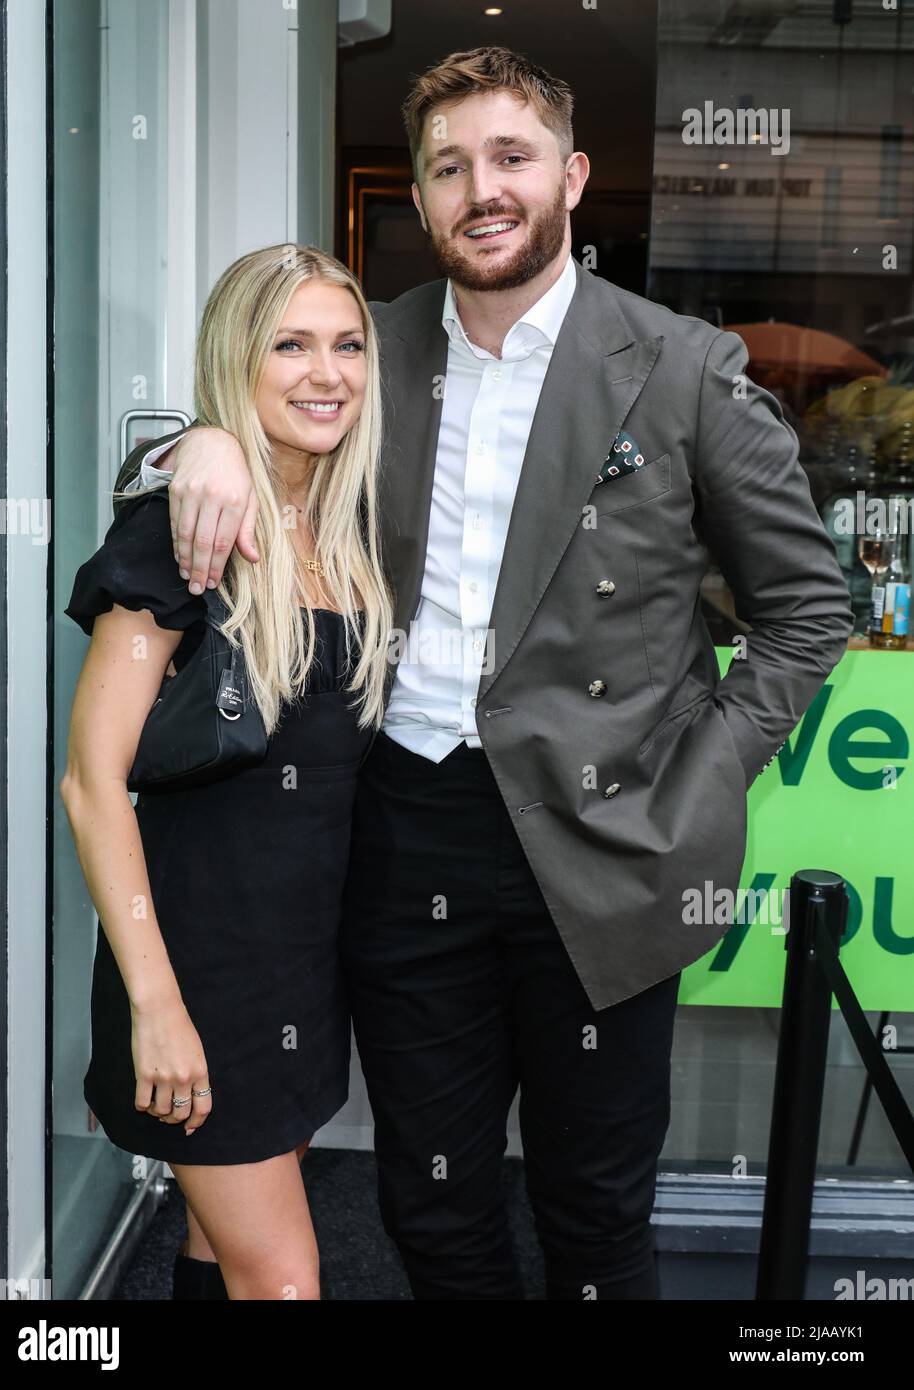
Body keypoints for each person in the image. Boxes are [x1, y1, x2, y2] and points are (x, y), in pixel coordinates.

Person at [117, 47, 855, 1300]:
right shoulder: (373, 351)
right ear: (419, 195)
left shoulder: (680, 365)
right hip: (407, 834)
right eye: (449, 166)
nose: (482, 188)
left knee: (594, 1211)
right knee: (432, 1202)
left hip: (610, 837)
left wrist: (695, 781)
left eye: (510, 157)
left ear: (568, 175)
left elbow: (805, 611)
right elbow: (258, 403)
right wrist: (198, 445)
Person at [61, 244, 394, 1300]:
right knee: (284, 1279)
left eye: (347, 344)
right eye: (289, 344)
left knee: (220, 1248)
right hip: (198, 968)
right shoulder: (180, 534)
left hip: (302, 964)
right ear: (235, 361)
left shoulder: (344, 540)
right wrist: (155, 1003)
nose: (325, 372)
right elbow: (89, 781)